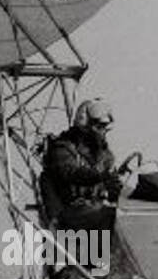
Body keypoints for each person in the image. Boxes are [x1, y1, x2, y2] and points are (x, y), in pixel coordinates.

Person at [40, 98, 123, 235]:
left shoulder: (104, 154)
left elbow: (113, 185)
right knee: (111, 215)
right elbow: (72, 173)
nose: (103, 132)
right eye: (99, 127)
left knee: (127, 215)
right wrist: (100, 174)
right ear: (85, 127)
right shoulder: (62, 148)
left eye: (104, 128)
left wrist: (126, 193)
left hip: (94, 210)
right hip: (69, 213)